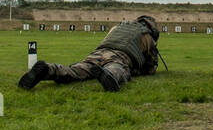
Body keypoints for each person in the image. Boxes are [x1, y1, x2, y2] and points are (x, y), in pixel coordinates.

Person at [17, 15, 162, 92]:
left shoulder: (119, 27)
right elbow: (149, 67)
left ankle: (49, 69)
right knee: (117, 68)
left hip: (98, 52)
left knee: (76, 70)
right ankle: (110, 76)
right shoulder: (147, 36)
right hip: (120, 56)